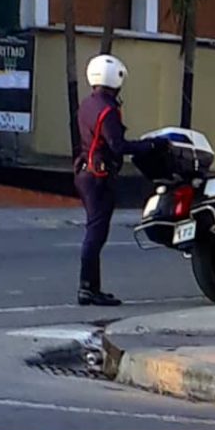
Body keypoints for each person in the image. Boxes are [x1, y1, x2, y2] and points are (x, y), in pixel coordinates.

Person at [73, 55, 164, 307]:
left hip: (84, 171)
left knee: (95, 230)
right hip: (98, 176)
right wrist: (150, 145)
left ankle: (91, 287)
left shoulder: (87, 104)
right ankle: (87, 288)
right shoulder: (108, 110)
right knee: (96, 233)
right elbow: (118, 145)